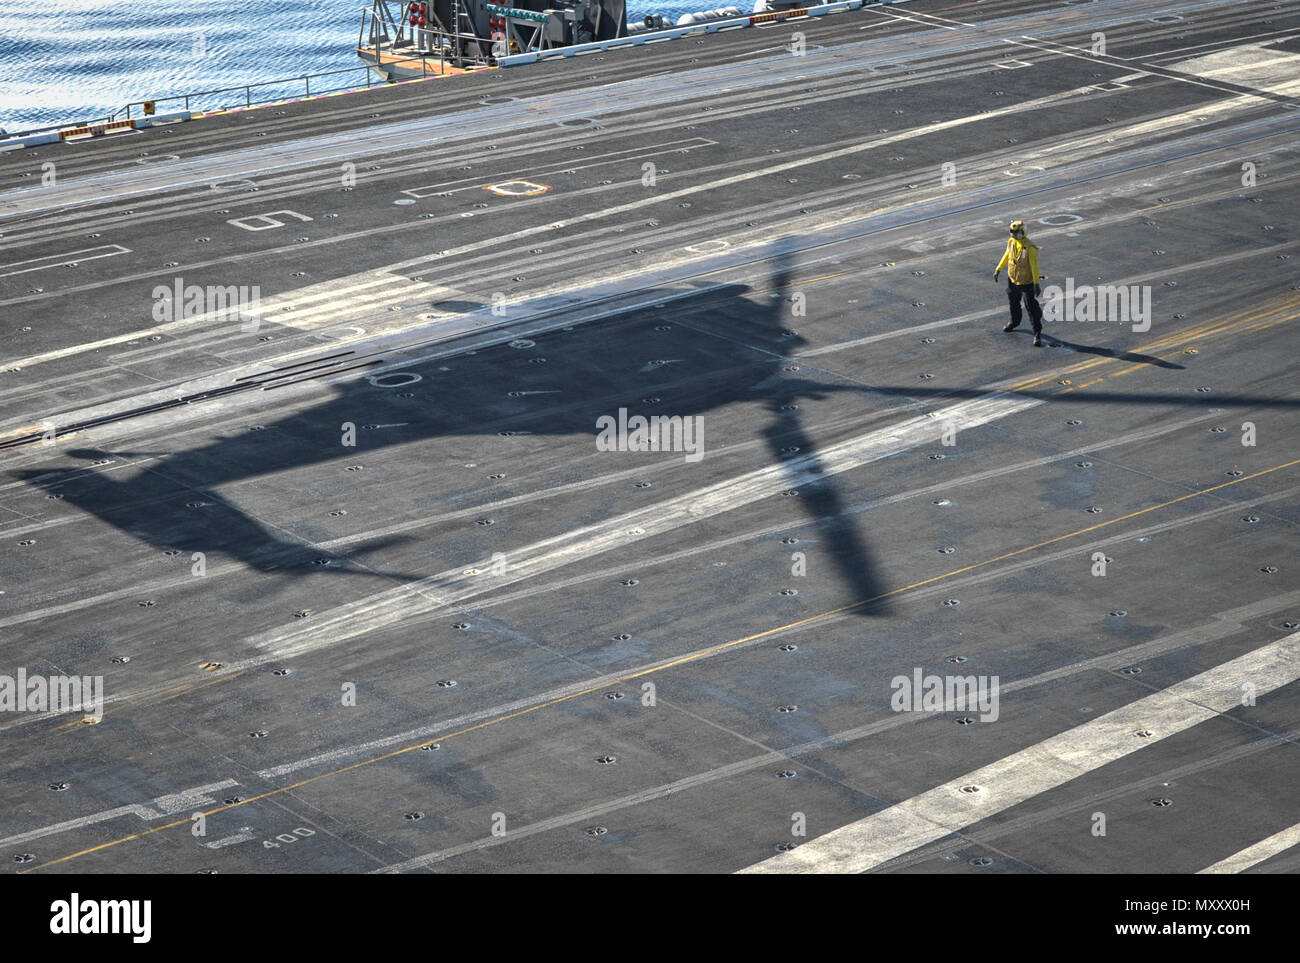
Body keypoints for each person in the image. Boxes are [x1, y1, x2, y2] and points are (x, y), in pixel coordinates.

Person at [994, 220, 1043, 346]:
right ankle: (1014, 322)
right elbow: (1007, 255)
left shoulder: (1030, 247)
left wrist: (1036, 284)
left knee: (1031, 307)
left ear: (1023, 232)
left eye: (1015, 233)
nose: (1013, 235)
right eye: (1011, 232)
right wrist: (998, 269)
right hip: (1013, 279)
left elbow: (1034, 267)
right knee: (1013, 303)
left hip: (1026, 282)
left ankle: (1037, 333)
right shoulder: (1011, 242)